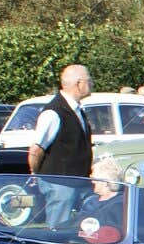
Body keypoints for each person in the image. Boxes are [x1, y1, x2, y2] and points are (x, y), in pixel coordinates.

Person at [27, 63, 94, 225]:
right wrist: (37, 175)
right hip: (59, 183)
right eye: (89, 80)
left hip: (75, 181)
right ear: (79, 84)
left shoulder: (77, 111)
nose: (92, 84)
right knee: (58, 228)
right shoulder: (53, 113)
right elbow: (36, 150)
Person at [76, 156, 127, 240]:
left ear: (106, 182)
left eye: (94, 178)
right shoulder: (90, 200)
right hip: (78, 239)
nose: (92, 181)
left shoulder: (120, 203)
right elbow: (76, 223)